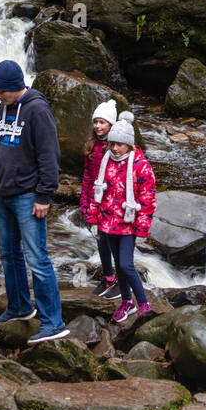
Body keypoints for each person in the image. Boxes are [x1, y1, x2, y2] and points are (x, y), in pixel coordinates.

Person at [0, 59, 69, 344]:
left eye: (1, 92)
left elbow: (49, 156)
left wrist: (44, 195)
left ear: (15, 87)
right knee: (9, 255)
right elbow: (1, 145)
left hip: (28, 196)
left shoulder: (37, 110)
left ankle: (53, 322)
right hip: (4, 194)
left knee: (37, 259)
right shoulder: (3, 110)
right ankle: (20, 307)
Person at [84, 110, 156, 323]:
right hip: (108, 223)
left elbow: (148, 198)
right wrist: (94, 219)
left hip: (128, 224)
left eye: (120, 144)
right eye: (112, 144)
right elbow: (98, 193)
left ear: (130, 145)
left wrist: (143, 228)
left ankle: (143, 302)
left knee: (126, 265)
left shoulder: (140, 165)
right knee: (118, 264)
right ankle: (127, 302)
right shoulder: (107, 162)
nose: (115, 148)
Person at [80, 100, 121, 298]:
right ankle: (108, 277)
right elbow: (88, 177)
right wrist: (85, 203)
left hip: (113, 203)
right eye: (95, 122)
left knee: (115, 241)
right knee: (101, 241)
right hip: (95, 203)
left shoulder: (117, 147)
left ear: (111, 125)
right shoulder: (92, 146)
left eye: (102, 122)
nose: (98, 126)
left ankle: (122, 281)